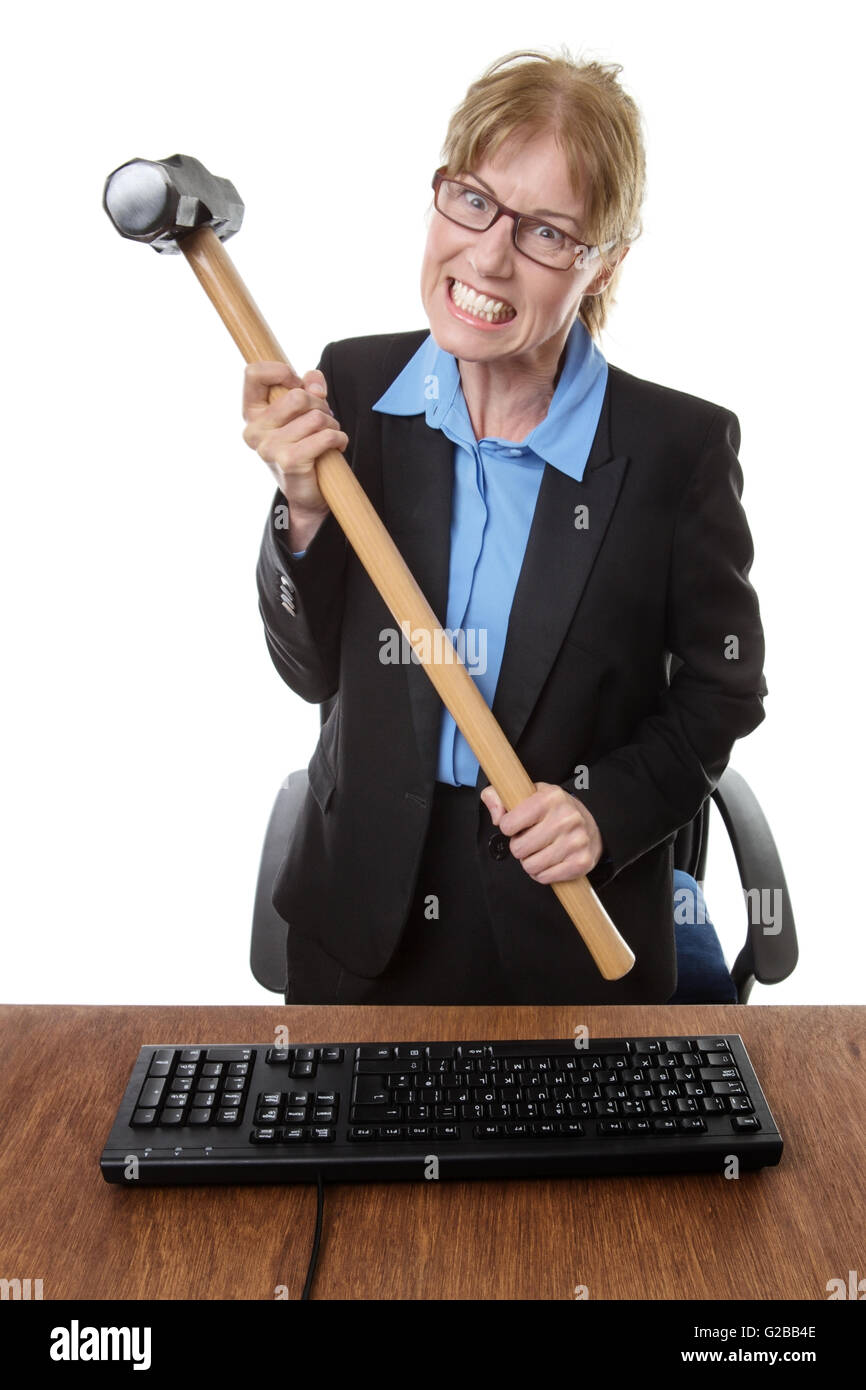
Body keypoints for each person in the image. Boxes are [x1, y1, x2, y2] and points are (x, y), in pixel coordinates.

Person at [244, 50, 767, 1005]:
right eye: (473, 201)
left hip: (570, 935)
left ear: (603, 261)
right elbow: (309, 670)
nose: (487, 257)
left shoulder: (674, 450)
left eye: (546, 232)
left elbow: (721, 694)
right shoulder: (353, 391)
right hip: (362, 923)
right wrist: (304, 507)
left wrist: (605, 811)